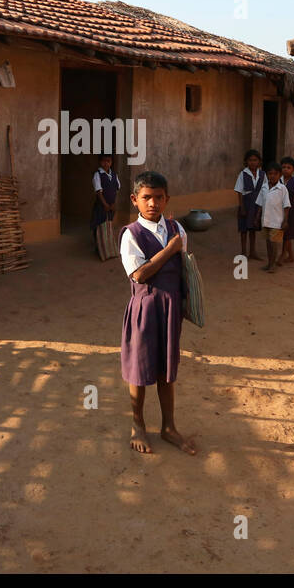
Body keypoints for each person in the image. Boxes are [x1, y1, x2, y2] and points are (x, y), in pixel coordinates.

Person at [119, 170, 197, 456]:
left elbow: (185, 270)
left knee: (167, 369)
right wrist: (169, 250)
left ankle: (168, 427)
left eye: (159, 198)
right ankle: (137, 424)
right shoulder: (131, 235)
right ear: (135, 200)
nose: (153, 203)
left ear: (167, 199)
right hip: (145, 308)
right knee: (139, 370)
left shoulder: (178, 229)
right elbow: (139, 274)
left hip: (170, 308)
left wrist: (187, 304)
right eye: (146, 198)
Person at [256, 161, 292, 272]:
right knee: (268, 243)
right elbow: (260, 204)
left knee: (274, 243)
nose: (272, 176)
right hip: (265, 220)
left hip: (277, 221)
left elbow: (286, 206)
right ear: (267, 175)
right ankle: (269, 263)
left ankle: (273, 265)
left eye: (275, 174)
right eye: (270, 174)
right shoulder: (264, 188)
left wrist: (285, 221)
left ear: (279, 175)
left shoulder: (282, 189)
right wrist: (257, 218)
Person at [233, 149, 265, 262]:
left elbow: (264, 190)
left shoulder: (262, 174)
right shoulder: (243, 174)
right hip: (246, 204)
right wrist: (242, 207)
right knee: (244, 229)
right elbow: (239, 191)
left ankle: (253, 251)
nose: (252, 162)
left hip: (257, 204)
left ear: (259, 161)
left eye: (255, 160)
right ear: (246, 162)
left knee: (253, 229)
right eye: (250, 160)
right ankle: (243, 252)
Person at [90, 154, 120, 247]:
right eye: (104, 161)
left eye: (108, 161)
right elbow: (99, 191)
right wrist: (105, 204)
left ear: (111, 162)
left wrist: (114, 203)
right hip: (101, 205)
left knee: (108, 225)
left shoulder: (114, 175)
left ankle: (106, 246)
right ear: (100, 162)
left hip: (111, 205)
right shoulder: (98, 174)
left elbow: (117, 189)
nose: (106, 163)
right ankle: (99, 246)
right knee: (99, 224)